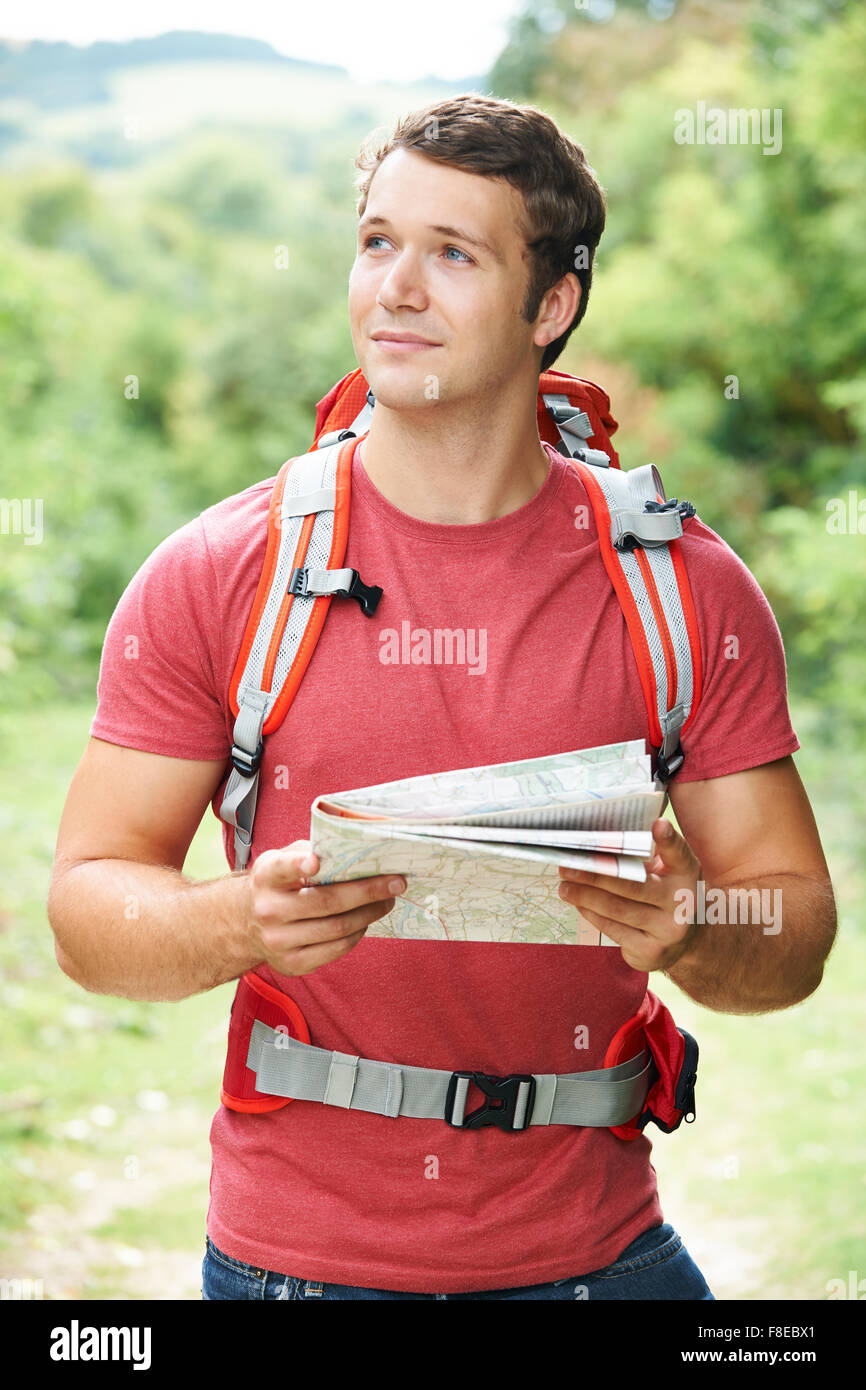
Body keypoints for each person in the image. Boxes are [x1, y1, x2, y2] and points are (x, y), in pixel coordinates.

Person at [47, 93, 836, 1301]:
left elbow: (794, 931)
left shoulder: (683, 593)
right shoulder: (222, 575)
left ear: (551, 307)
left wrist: (693, 926)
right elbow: (89, 904)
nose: (393, 289)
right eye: (376, 242)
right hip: (294, 1271)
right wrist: (235, 924)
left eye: (452, 254)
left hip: (601, 1261)